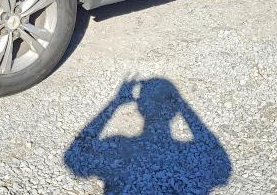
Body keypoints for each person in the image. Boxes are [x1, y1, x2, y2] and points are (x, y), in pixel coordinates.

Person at [64, 78, 231, 194]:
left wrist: (115, 104)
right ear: (174, 112)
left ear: (139, 108)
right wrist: (183, 106)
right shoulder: (188, 153)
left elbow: (73, 157)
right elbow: (220, 163)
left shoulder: (118, 146)